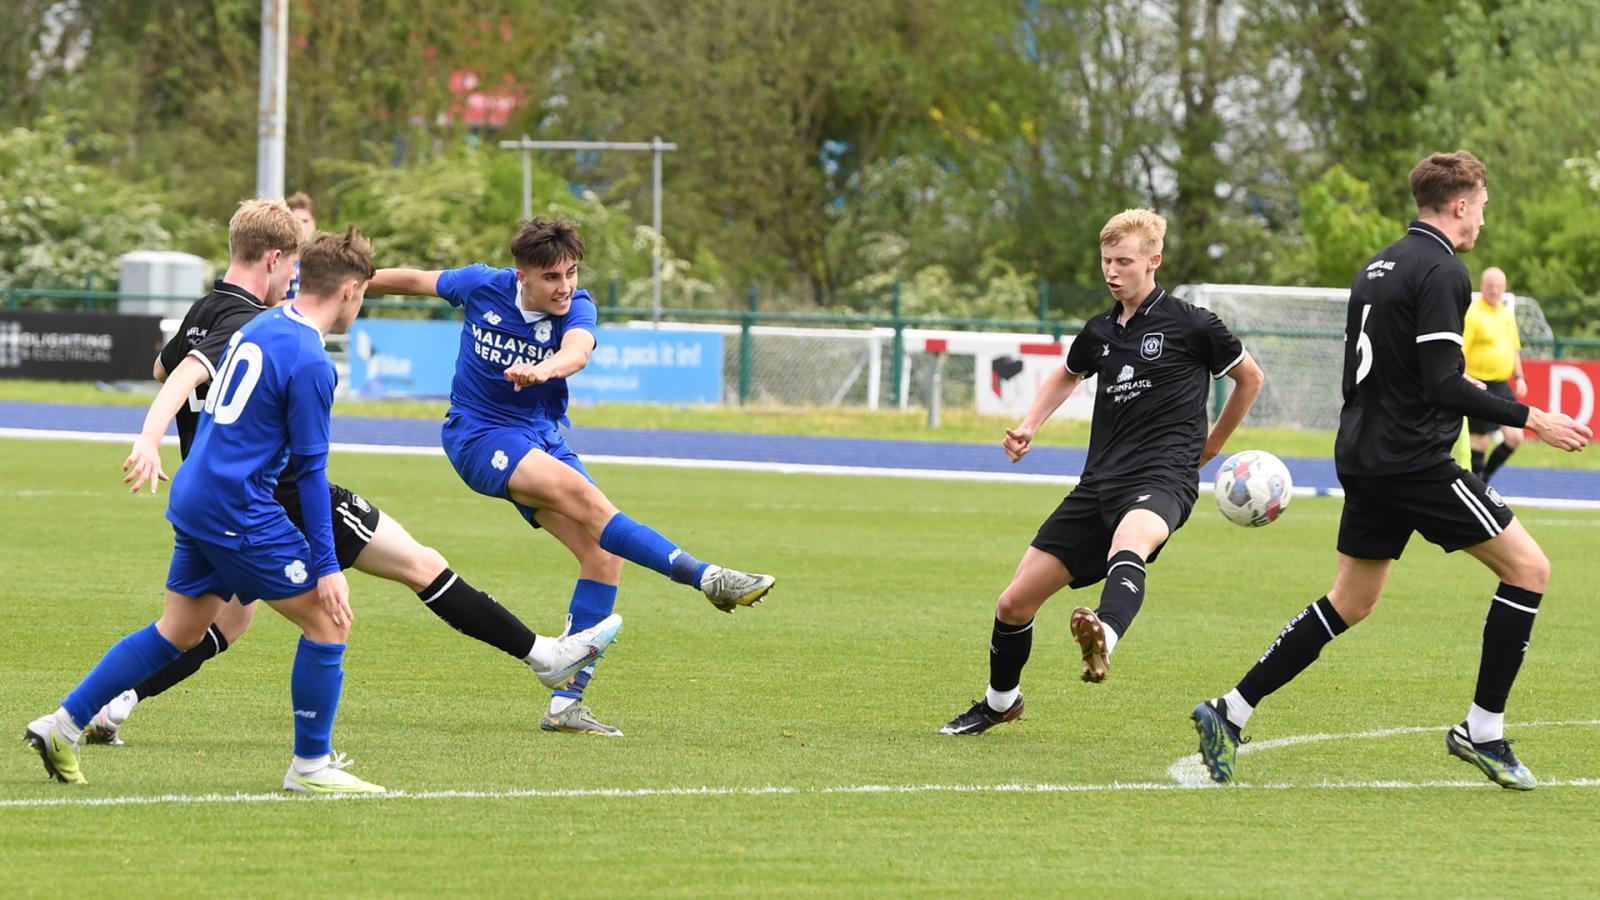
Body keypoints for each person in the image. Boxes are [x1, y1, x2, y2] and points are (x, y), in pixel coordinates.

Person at [84, 199, 617, 747]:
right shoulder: (258, 323)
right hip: (275, 493)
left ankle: (108, 704)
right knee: (413, 570)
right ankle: (541, 656)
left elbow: (163, 368)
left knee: (213, 625)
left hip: (219, 495)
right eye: (291, 265)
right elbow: (195, 383)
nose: (293, 278)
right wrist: (148, 437)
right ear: (274, 261)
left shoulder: (208, 309)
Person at [1190, 151, 1590, 790]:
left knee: (1351, 600)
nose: (1483, 219)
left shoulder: (1379, 264)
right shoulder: (1442, 270)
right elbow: (1443, 383)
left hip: (1365, 454)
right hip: (1413, 461)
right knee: (1530, 570)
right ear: (1459, 204)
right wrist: (1531, 416)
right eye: (1482, 206)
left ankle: (1228, 711)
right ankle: (1481, 730)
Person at [25, 227, 406, 791]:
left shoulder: (264, 324)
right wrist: (328, 568)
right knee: (328, 622)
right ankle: (310, 768)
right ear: (351, 290)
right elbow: (311, 471)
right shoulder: (312, 361)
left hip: (196, 492)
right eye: (365, 293)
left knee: (177, 629)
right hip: (237, 506)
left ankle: (62, 725)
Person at [369, 216, 776, 737]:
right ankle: (706, 577)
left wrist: (544, 370)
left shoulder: (577, 308)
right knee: (582, 496)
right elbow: (416, 280)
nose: (565, 287)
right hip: (480, 435)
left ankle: (566, 703)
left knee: (603, 555)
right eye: (552, 277)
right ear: (522, 276)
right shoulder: (481, 285)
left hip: (542, 435)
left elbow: (577, 350)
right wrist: (345, 282)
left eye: (572, 272)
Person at [939, 208, 1264, 736]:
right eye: (1106, 261)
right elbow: (1066, 376)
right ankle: (1001, 702)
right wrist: (1028, 425)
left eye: (1124, 262)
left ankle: (1104, 638)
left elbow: (1250, 378)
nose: (1113, 272)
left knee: (1129, 544)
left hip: (1164, 478)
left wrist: (1212, 446)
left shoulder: (1193, 323)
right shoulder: (1099, 330)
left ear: (1153, 261)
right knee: (1014, 602)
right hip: (1097, 486)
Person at [1463, 266, 1525, 481]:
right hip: (1479, 382)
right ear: (1482, 287)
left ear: (1504, 288)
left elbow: (1514, 347)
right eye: (1490, 286)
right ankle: (1477, 482)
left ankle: (1484, 479)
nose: (1494, 290)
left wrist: (1520, 376)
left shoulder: (1506, 315)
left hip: (1501, 384)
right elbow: (1460, 348)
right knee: (1480, 439)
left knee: (1515, 436)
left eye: (1498, 286)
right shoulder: (1473, 314)